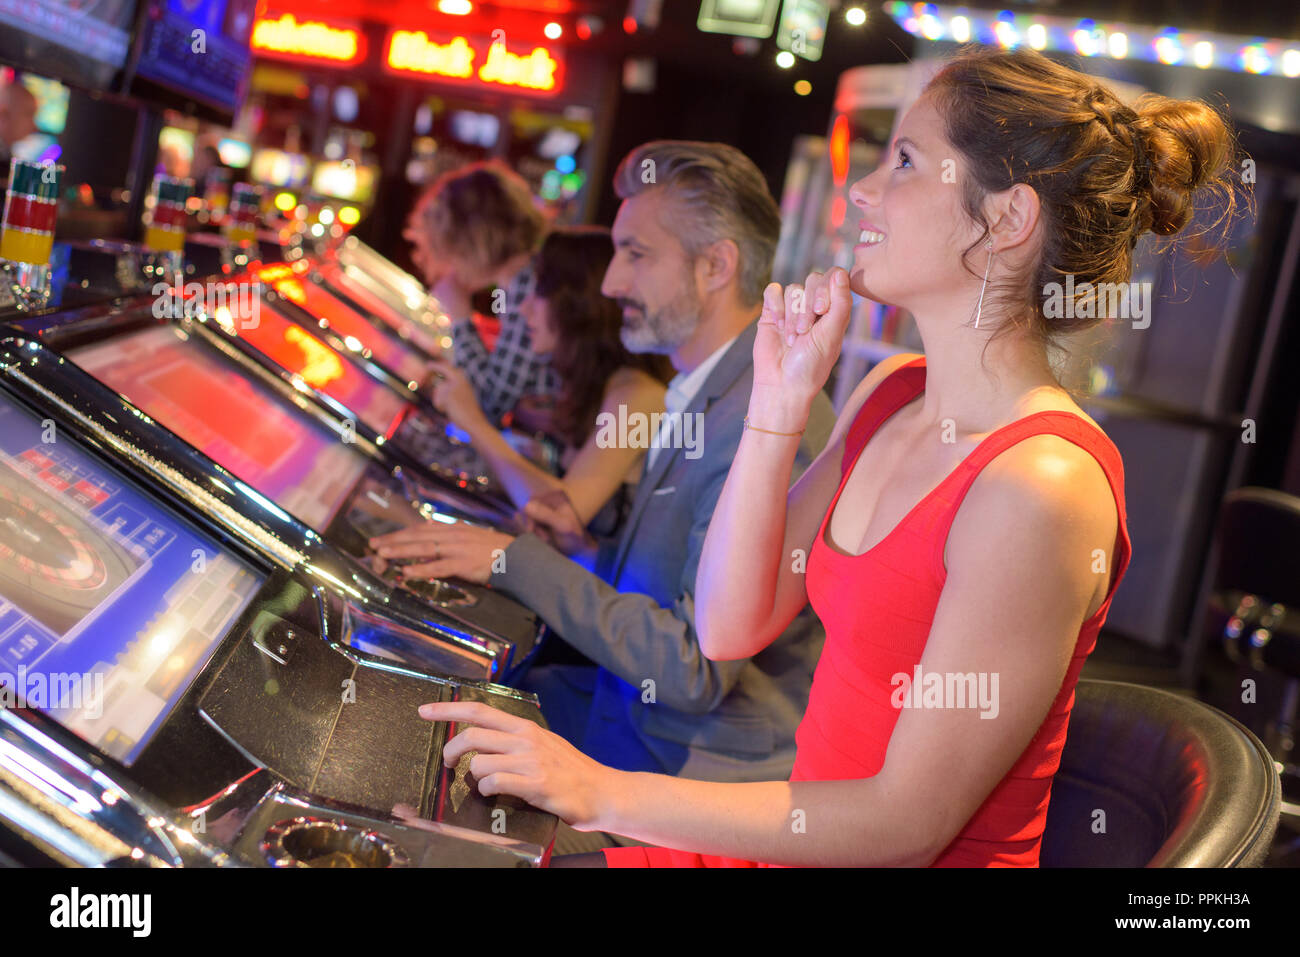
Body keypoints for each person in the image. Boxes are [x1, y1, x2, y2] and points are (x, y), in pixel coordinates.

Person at [410, 44, 1245, 866]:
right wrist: (776, 408)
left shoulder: (1042, 485)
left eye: (907, 162)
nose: (865, 189)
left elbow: (903, 824)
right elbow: (728, 625)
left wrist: (602, 792)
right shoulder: (889, 394)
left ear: (1007, 219)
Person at [371, 141, 836, 801]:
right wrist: (587, 551)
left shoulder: (766, 415)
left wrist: (515, 560)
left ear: (715, 266)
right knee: (408, 723)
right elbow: (677, 585)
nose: (612, 282)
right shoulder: (711, 385)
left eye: (636, 255)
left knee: (410, 778)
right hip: (631, 724)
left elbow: (692, 667)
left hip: (685, 775)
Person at [424, 227, 674, 541]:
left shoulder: (639, 395)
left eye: (540, 292)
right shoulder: (591, 387)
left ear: (580, 305)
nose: (525, 308)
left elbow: (562, 513)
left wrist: (473, 421)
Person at [407, 161, 560, 425]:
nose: (446, 263)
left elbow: (489, 405)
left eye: (445, 245)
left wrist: (460, 314)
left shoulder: (528, 285)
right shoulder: (530, 273)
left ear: (469, 239)